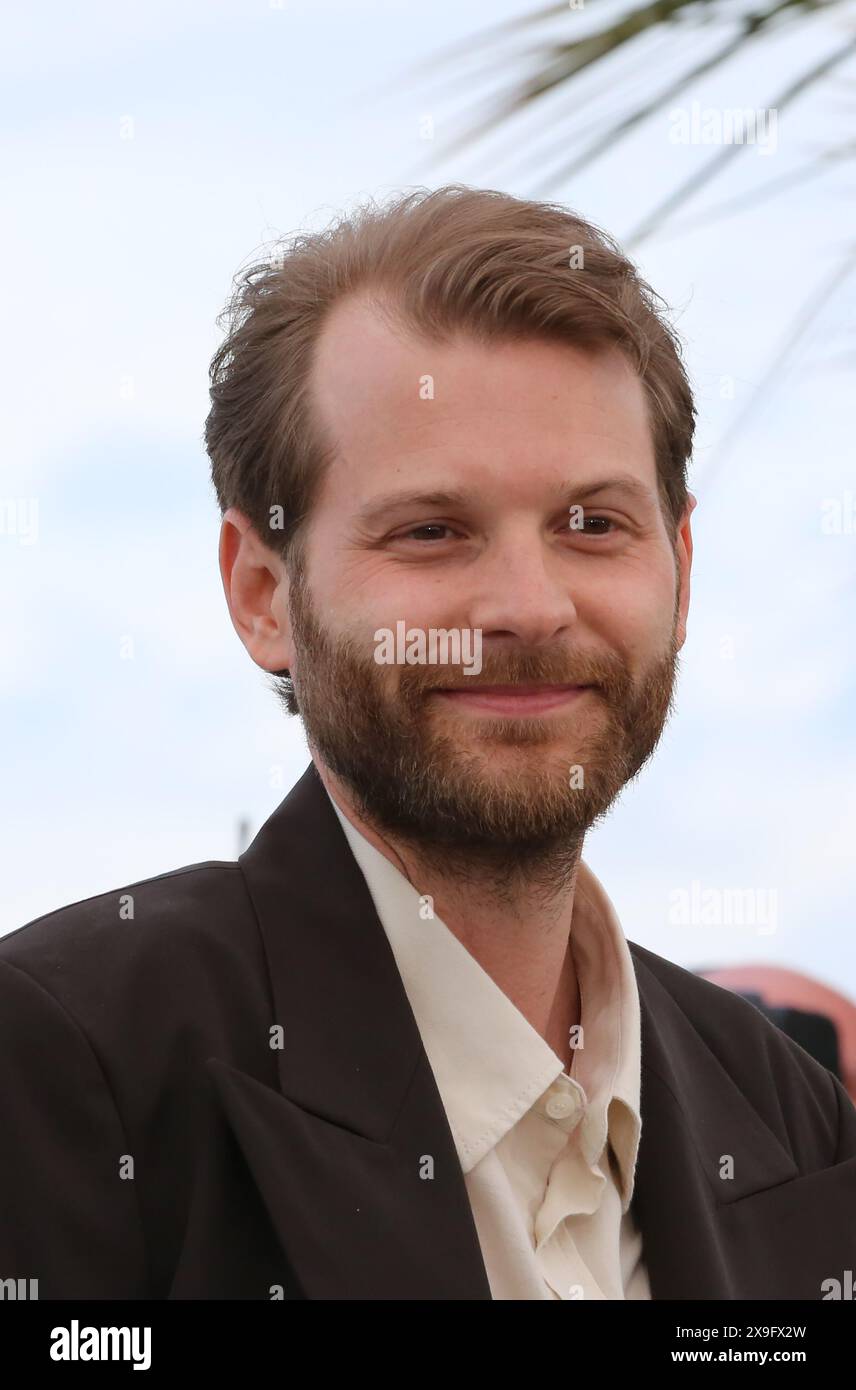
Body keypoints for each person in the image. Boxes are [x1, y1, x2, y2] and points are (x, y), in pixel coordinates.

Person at [2, 186, 854, 1300]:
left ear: (680, 569)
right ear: (263, 592)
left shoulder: (795, 1117)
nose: (530, 605)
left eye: (592, 523)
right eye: (433, 531)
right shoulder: (66, 1068)